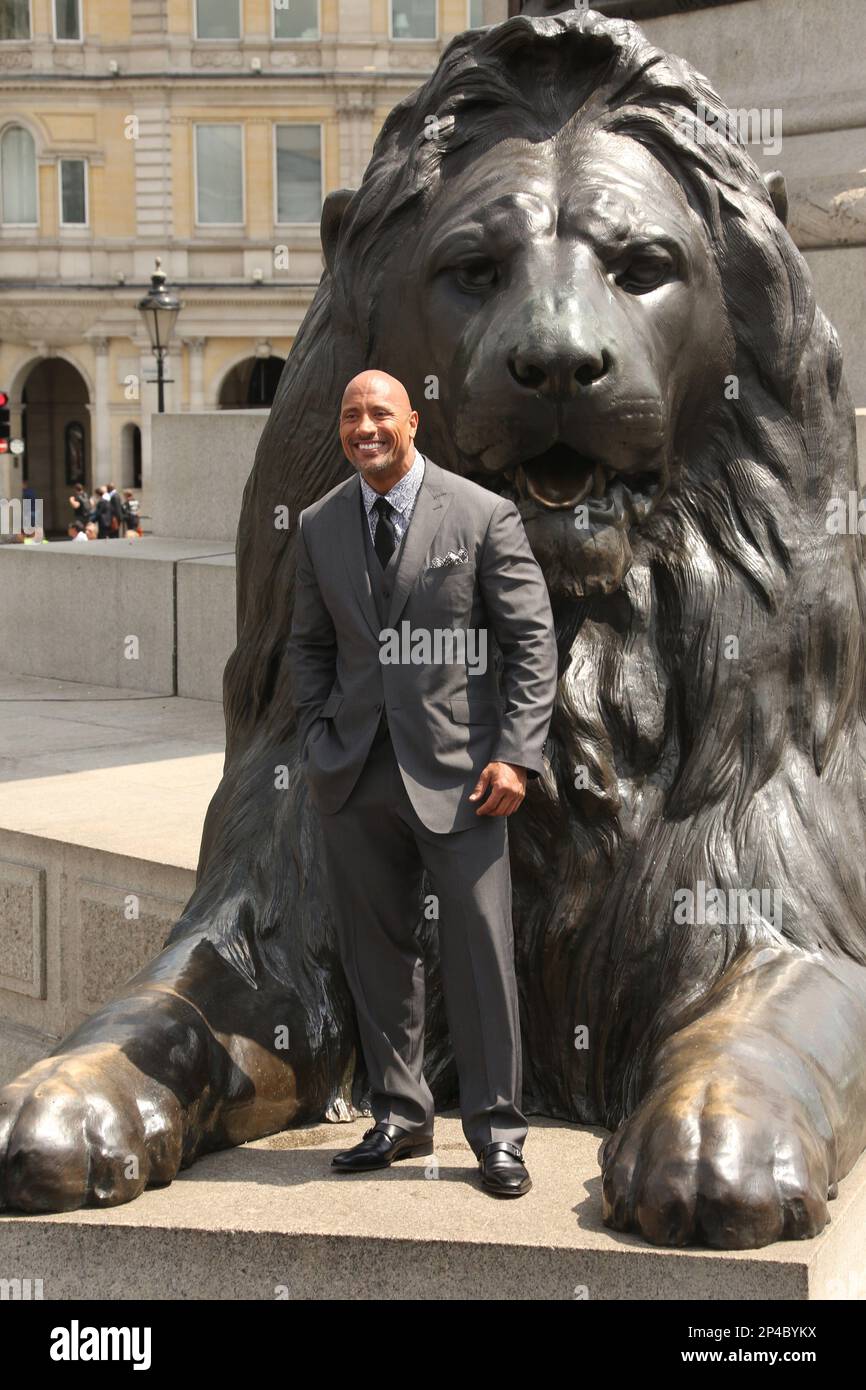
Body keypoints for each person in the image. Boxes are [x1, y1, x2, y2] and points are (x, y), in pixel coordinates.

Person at [287, 370, 557, 1198]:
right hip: (354, 775)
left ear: (412, 419)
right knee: (377, 954)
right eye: (350, 415)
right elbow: (309, 647)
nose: (364, 427)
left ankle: (498, 1134)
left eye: (378, 413)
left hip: (464, 779)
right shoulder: (319, 525)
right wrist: (315, 736)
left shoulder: (480, 515)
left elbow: (532, 643)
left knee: (479, 957)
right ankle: (400, 1115)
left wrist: (516, 754)